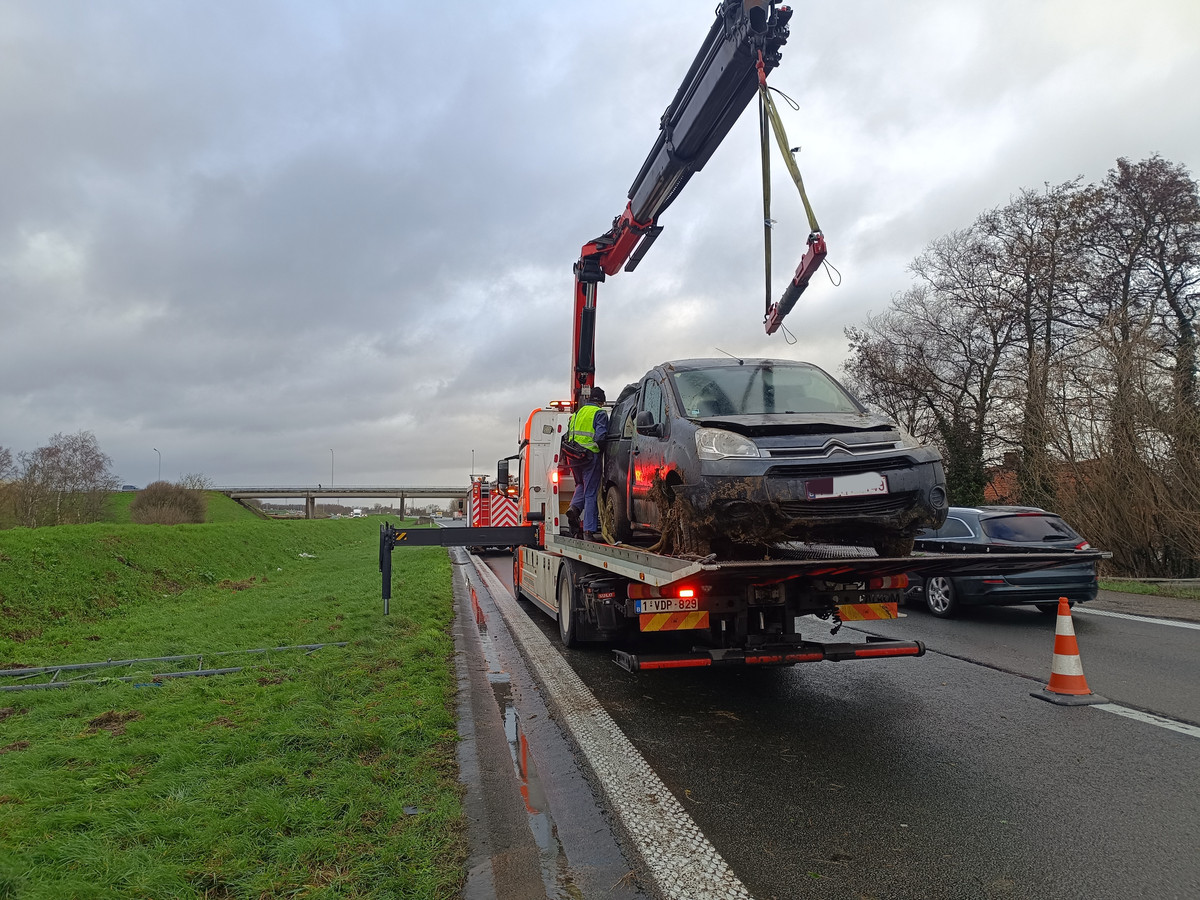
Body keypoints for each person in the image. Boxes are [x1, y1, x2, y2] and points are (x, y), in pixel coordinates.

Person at [565, 386, 608, 541]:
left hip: (573, 456)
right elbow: (601, 437)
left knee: (581, 485)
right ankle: (589, 531)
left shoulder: (577, 413)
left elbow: (569, 435)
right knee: (591, 493)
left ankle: (574, 508)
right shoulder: (599, 413)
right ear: (601, 402)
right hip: (590, 457)